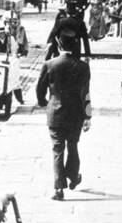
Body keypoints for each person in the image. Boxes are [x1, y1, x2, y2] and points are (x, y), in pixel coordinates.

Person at [37, 28, 92, 200]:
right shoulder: (83, 66)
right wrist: (88, 116)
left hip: (55, 113)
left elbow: (40, 89)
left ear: (59, 45)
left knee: (57, 149)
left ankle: (58, 189)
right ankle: (73, 177)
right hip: (76, 113)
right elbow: (86, 93)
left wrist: (45, 103)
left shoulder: (49, 65)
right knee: (73, 146)